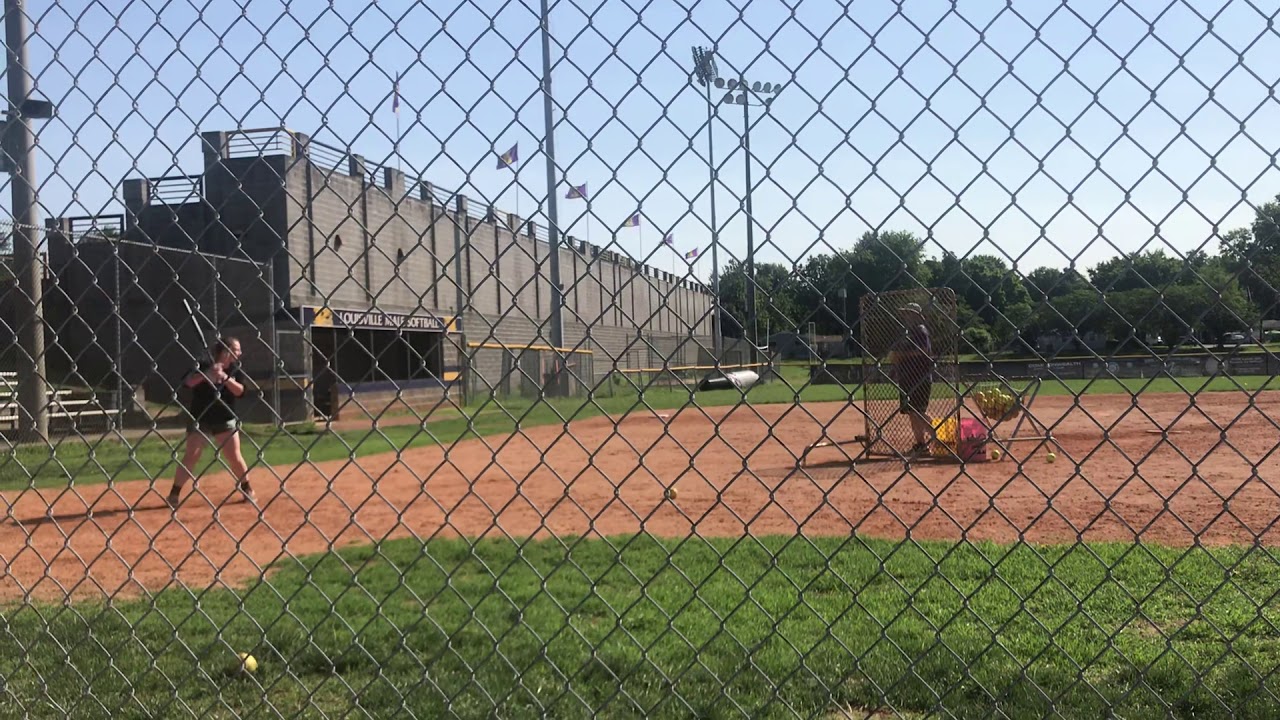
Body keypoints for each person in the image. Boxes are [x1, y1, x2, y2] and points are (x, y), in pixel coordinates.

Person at [166, 336, 256, 509]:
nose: (240, 353)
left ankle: (247, 489)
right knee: (192, 455)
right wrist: (208, 374)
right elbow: (188, 382)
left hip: (225, 417)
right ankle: (174, 494)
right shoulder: (203, 363)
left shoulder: (235, 369)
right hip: (201, 418)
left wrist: (225, 377)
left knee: (234, 456)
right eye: (236, 349)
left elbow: (241, 391)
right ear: (225, 351)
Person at [890, 302, 935, 459]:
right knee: (912, 412)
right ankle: (921, 446)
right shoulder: (907, 333)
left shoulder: (921, 331)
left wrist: (903, 356)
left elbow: (924, 351)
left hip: (920, 378)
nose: (906, 316)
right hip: (907, 378)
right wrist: (896, 367)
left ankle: (941, 437)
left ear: (916, 316)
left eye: (909, 313)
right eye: (905, 313)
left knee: (918, 412)